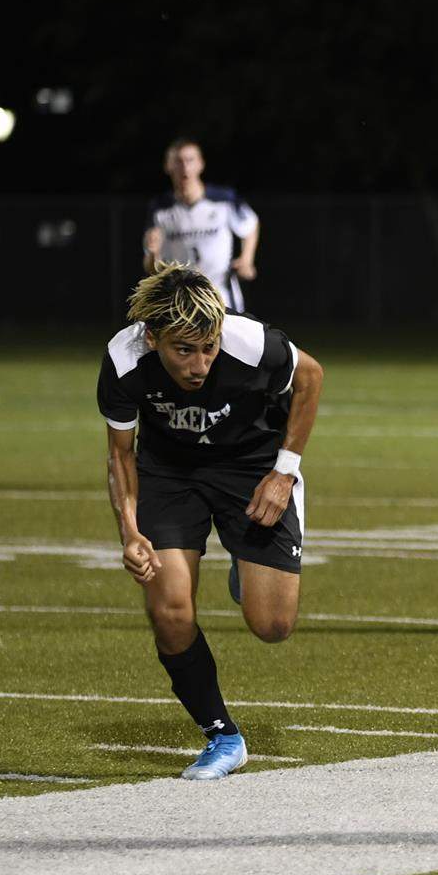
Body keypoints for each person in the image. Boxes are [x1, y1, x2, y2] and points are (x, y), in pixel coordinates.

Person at [98, 262, 324, 779]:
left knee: (272, 626)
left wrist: (284, 473)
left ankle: (247, 565)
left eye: (209, 348)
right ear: (152, 338)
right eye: (184, 350)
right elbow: (120, 455)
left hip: (251, 466)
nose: (200, 363)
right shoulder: (123, 359)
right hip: (170, 472)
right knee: (169, 610)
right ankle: (222, 736)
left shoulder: (249, 342)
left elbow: (311, 378)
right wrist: (130, 531)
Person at [143, 139, 260, 313]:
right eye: (178, 161)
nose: (185, 167)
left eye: (190, 160)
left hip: (222, 298)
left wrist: (247, 259)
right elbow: (152, 267)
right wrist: (153, 253)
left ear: (200, 164)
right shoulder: (160, 209)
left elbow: (251, 225)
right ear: (167, 166)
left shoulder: (223, 200)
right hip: (179, 302)